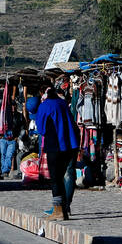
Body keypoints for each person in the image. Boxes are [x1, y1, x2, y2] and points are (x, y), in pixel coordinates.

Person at [35, 86, 79, 219]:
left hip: (56, 145)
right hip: (72, 143)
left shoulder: (44, 106)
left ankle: (58, 210)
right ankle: (65, 208)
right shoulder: (63, 103)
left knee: (55, 179)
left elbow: (41, 129)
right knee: (68, 175)